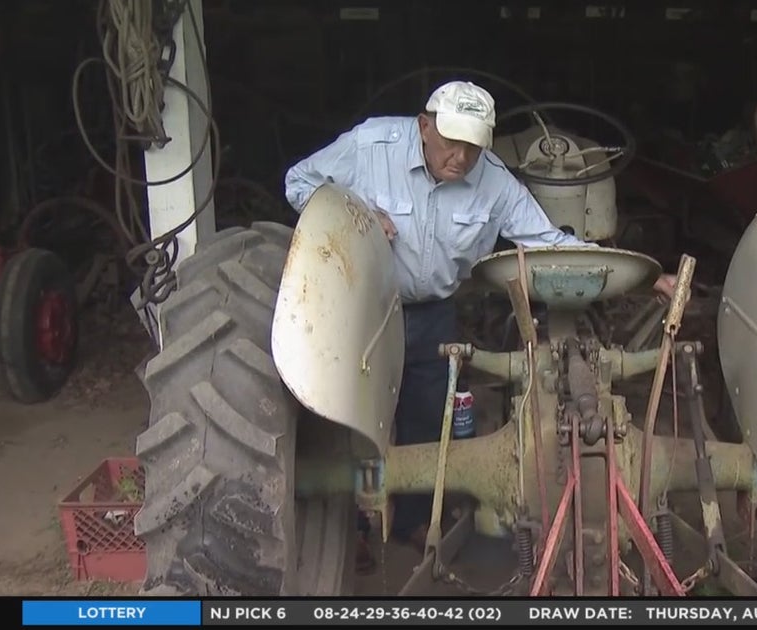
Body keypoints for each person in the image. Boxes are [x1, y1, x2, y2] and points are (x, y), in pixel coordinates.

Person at [283, 80, 677, 572]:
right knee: (350, 418)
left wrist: (646, 273)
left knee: (432, 418)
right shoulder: (370, 147)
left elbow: (546, 241)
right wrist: (357, 212)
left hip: (432, 312)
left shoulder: (492, 180)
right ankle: (349, 530)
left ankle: (411, 523)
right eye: (451, 143)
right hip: (361, 307)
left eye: (473, 146)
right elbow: (299, 182)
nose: (462, 158)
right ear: (424, 127)